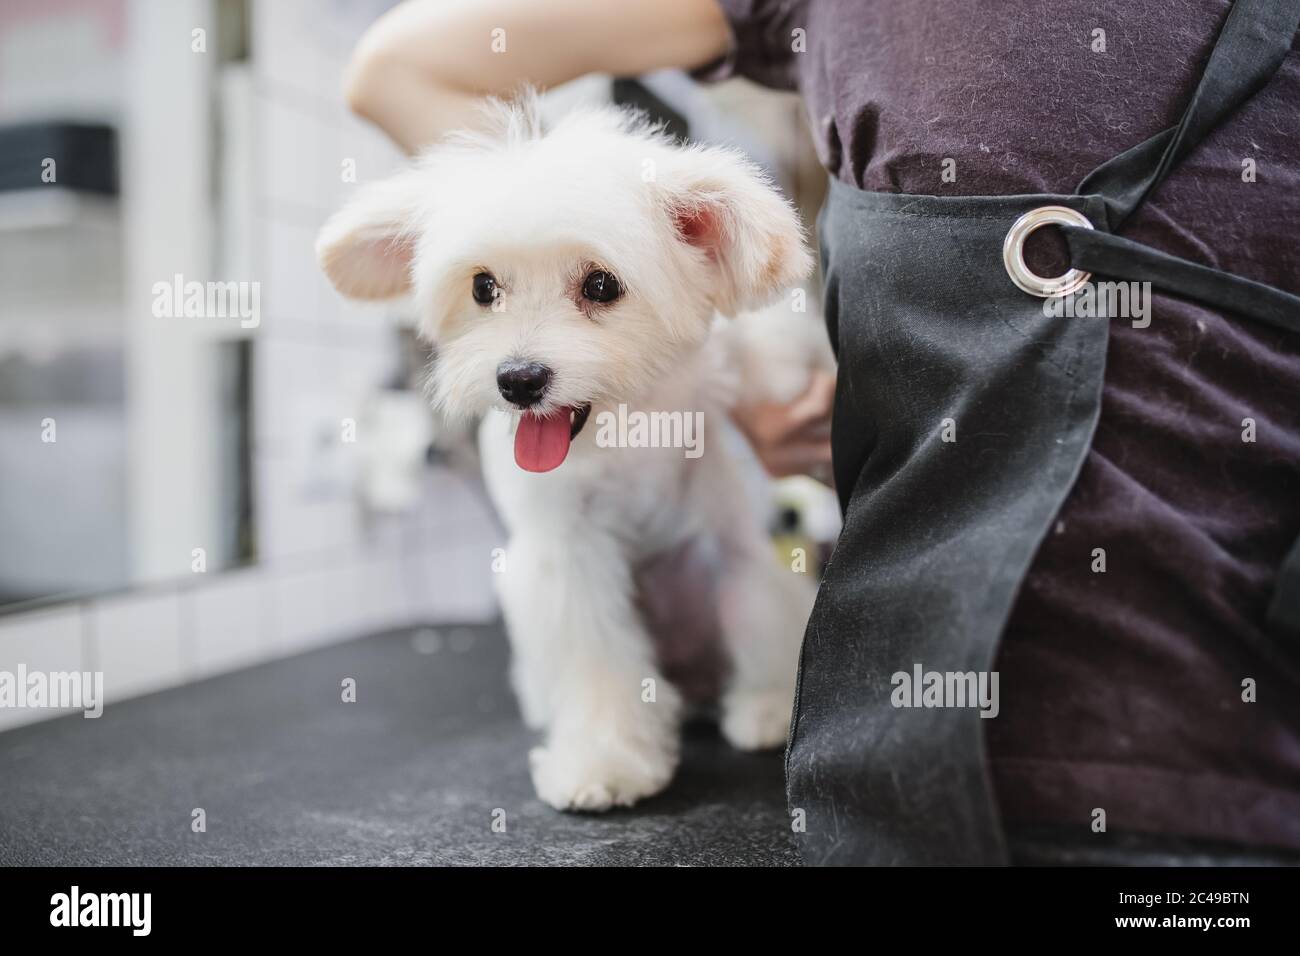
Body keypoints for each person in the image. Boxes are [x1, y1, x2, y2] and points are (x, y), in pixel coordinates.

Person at [344, 0, 1300, 864]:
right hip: (933, 765)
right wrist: (527, 212)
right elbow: (396, 67)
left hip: (1168, 751)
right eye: (485, 290)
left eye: (596, 287)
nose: (525, 351)